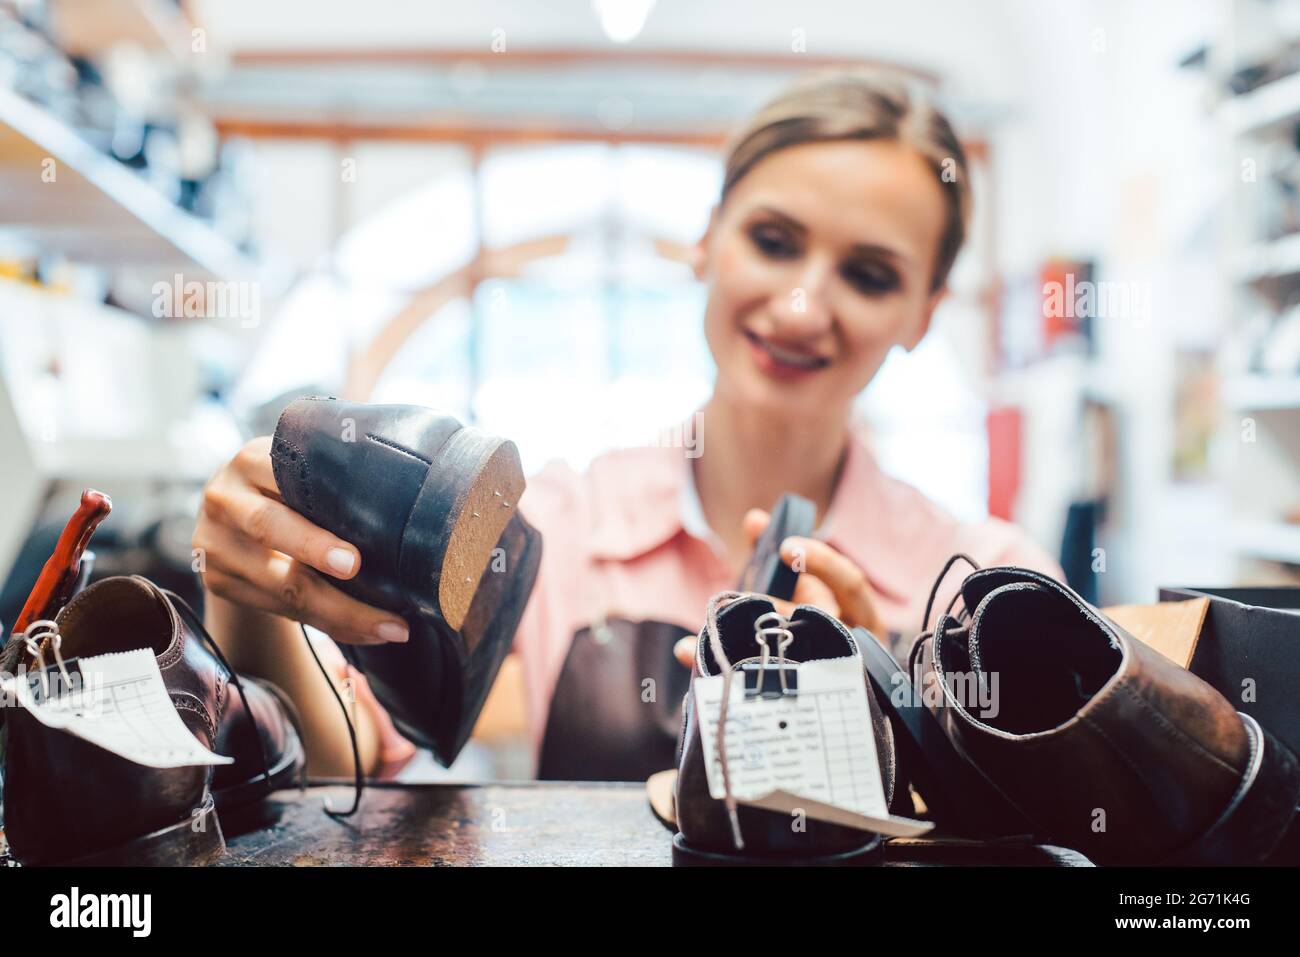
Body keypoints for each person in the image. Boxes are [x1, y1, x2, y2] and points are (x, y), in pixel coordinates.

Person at [193, 68, 1061, 780]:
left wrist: (909, 744)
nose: (801, 307)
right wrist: (253, 595)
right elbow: (338, 761)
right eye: (772, 240)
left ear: (923, 311)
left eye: (869, 275)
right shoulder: (556, 527)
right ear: (705, 240)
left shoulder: (994, 584)